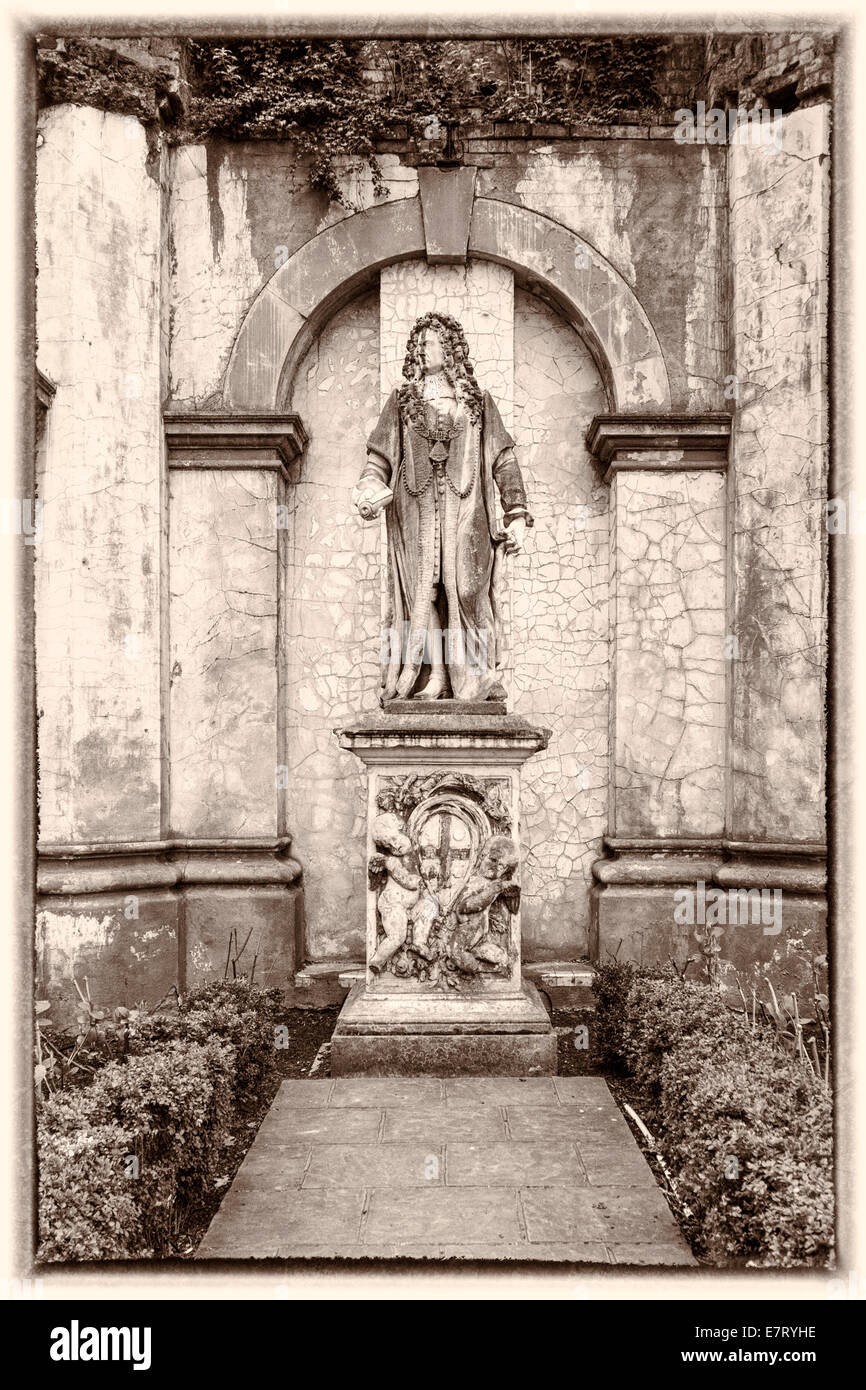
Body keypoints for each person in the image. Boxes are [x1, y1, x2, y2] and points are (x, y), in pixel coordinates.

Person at [353, 311, 532, 703]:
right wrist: (368, 489)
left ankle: (478, 677)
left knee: (466, 588)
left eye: (429, 341)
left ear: (448, 348)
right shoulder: (402, 403)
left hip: (467, 509)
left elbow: (502, 458)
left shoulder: (478, 403)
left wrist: (516, 513)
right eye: (417, 342)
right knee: (424, 591)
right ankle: (436, 678)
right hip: (414, 508)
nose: (421, 348)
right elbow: (378, 460)